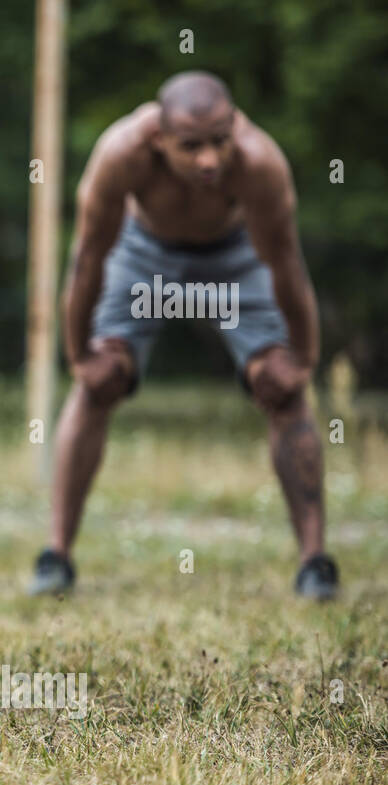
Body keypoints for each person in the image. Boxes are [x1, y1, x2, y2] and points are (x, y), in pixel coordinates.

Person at [29, 71, 337, 600]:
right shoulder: (120, 155)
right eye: (191, 146)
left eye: (220, 139)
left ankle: (315, 562)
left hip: (238, 253)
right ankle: (57, 555)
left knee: (284, 388)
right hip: (142, 249)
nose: (211, 159)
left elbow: (287, 264)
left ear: (235, 124)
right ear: (158, 139)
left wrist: (304, 358)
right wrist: (80, 355)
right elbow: (88, 260)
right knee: (98, 385)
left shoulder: (260, 163)